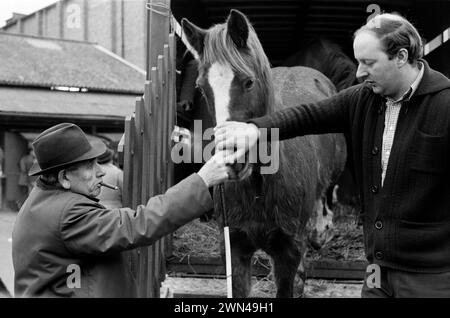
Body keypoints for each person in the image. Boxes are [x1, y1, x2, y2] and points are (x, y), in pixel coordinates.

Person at [215, 13, 450, 298]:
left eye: (369, 62)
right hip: (377, 271)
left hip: (429, 275)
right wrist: (254, 129)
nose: (360, 72)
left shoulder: (444, 105)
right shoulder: (363, 98)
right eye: (358, 61)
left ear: (401, 56)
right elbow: (307, 115)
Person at [12, 123, 231, 297]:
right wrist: (202, 180)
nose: (101, 172)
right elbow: (137, 225)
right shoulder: (68, 214)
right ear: (64, 177)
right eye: (90, 166)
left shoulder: (43, 199)